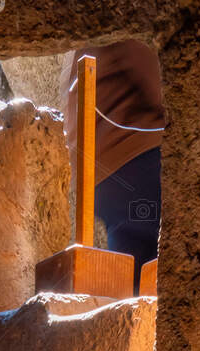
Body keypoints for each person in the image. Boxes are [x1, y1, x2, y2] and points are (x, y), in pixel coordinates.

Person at [67, 42, 164, 289]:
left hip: (104, 186)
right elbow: (156, 80)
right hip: (138, 164)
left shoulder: (80, 45)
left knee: (134, 275)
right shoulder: (117, 23)